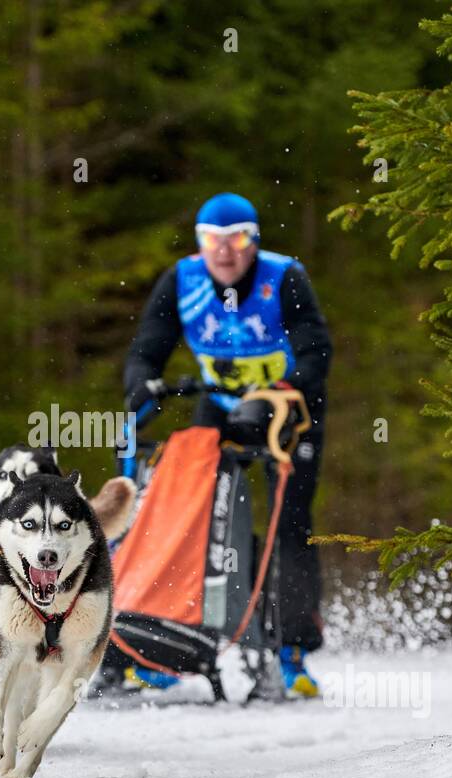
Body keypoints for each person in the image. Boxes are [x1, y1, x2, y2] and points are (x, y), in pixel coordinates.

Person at [123, 192, 332, 698]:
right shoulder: (182, 280)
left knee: (290, 524)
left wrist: (281, 393)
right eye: (212, 241)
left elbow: (316, 351)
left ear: (253, 240)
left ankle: (292, 654)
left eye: (237, 239)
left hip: (286, 411)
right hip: (218, 407)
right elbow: (145, 350)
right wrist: (142, 386)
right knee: (188, 516)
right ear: (200, 244)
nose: (225, 252)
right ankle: (169, 641)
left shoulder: (283, 277)